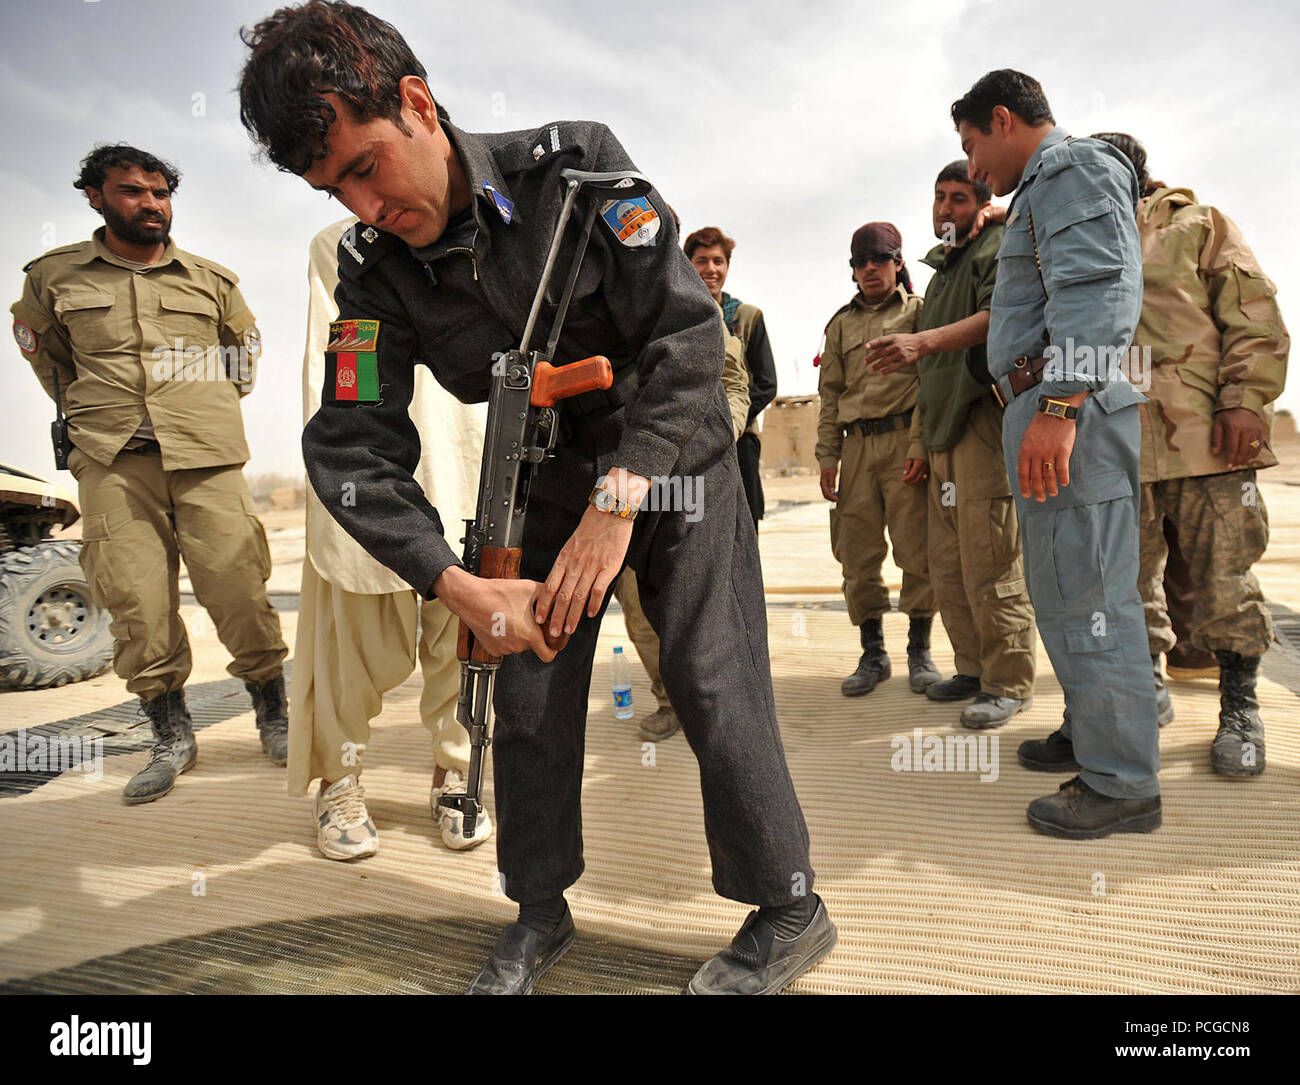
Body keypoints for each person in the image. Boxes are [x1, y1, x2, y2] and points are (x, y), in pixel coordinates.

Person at [238, 0, 835, 995]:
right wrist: (450, 580)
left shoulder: (578, 172)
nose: (361, 207)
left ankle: (788, 904)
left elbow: (689, 347)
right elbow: (350, 442)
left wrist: (617, 504)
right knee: (523, 697)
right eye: (330, 188)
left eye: (363, 166)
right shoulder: (373, 274)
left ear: (416, 105)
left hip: (671, 456)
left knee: (708, 674)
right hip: (539, 480)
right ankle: (539, 911)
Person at [10, 144, 288, 805]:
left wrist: (197, 409)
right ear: (95, 197)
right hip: (112, 461)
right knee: (135, 599)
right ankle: (171, 736)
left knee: (239, 583)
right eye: (133, 192)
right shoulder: (53, 276)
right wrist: (95, 417)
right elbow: (47, 360)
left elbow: (242, 361)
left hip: (206, 455)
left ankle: (273, 713)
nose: (151, 204)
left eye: (161, 193)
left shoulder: (212, 280)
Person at [953, 69, 1162, 838]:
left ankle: (1121, 783)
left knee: (1091, 594)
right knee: (1066, 587)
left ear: (1003, 120)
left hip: (1064, 406)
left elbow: (1099, 288)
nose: (973, 169)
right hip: (1044, 407)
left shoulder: (1072, 168)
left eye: (973, 145)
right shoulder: (1045, 187)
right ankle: (1092, 731)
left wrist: (1063, 401)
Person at [292, 216, 492, 859]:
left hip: (468, 453)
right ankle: (340, 782)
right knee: (349, 646)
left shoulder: (483, 232)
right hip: (375, 462)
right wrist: (350, 477)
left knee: (462, 641)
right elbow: (341, 360)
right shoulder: (340, 247)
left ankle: (454, 772)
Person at [1093, 132, 1288, 777]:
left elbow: (1254, 313)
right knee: (1125, 583)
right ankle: (1143, 696)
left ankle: (1240, 706)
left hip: (1202, 436)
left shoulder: (1197, 224)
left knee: (1226, 576)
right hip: (1115, 444)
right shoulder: (1083, 237)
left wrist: (1244, 401)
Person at [863, 163, 1036, 729]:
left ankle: (1008, 681)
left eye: (959, 198)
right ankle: (971, 669)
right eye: (939, 198)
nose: (945, 209)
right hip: (940, 437)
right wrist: (919, 438)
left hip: (981, 426)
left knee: (991, 563)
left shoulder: (995, 249)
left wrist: (922, 340)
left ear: (982, 205)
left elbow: (1000, 318)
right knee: (950, 564)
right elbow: (926, 374)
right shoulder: (942, 273)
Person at [611, 298, 751, 743]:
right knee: (637, 609)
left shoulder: (694, 307)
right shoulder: (593, 304)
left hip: (687, 480)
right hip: (618, 483)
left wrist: (717, 435)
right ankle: (669, 701)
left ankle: (713, 703)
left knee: (700, 601)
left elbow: (735, 382)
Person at [816, 222, 940, 698]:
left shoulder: (920, 313)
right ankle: (873, 654)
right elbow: (829, 396)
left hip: (904, 439)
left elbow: (932, 380)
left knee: (917, 549)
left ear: (898, 262)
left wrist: (919, 445)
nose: (870, 269)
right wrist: (828, 457)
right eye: (861, 262)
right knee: (857, 553)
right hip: (856, 449)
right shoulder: (840, 325)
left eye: (880, 260)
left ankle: (919, 652)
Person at [683, 226, 777, 531]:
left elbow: (765, 383)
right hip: (689, 441)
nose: (711, 269)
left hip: (740, 439)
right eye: (701, 261)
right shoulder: (679, 314)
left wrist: (726, 422)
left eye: (718, 261)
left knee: (743, 524)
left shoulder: (746, 317)